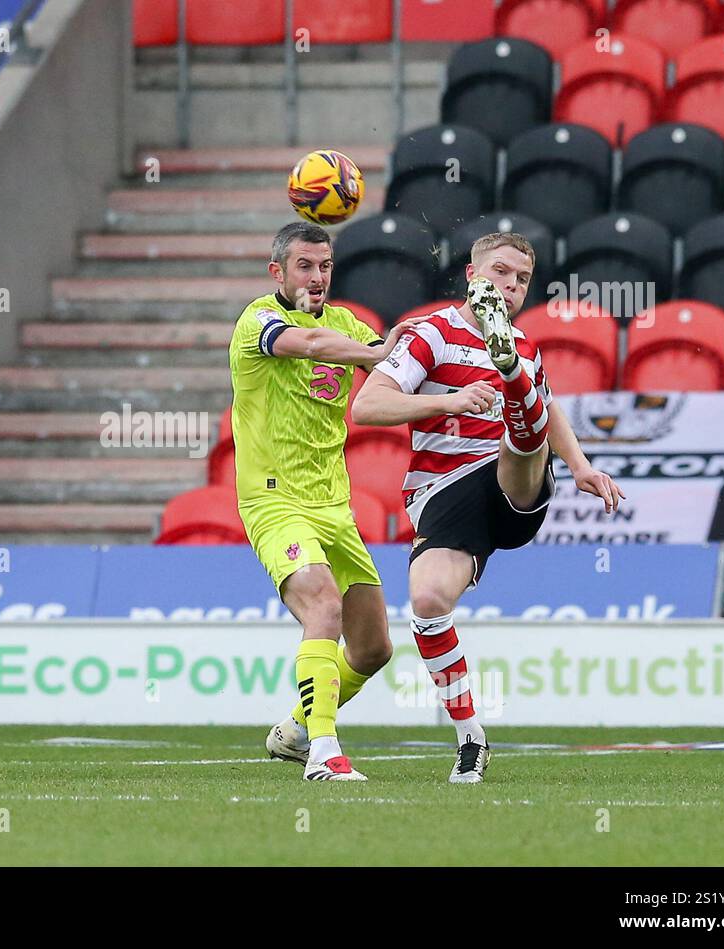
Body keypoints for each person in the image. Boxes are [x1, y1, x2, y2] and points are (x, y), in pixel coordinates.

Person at [354, 232, 624, 783]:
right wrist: (446, 400)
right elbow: (367, 404)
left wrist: (581, 467)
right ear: (474, 277)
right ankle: (471, 738)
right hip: (442, 490)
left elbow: (551, 413)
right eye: (501, 273)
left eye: (522, 279)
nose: (512, 285)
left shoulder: (527, 344)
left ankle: (509, 385)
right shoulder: (432, 335)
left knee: (521, 435)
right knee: (427, 602)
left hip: (510, 479)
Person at [233, 221, 421, 782]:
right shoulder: (258, 321)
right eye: (305, 268)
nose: (317, 278)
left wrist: (459, 388)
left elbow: (397, 385)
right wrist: (374, 349)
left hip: (334, 506)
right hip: (274, 499)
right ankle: (323, 752)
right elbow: (309, 344)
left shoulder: (348, 326)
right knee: (323, 607)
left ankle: (293, 730)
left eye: (325, 267)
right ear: (278, 273)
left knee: (372, 648)